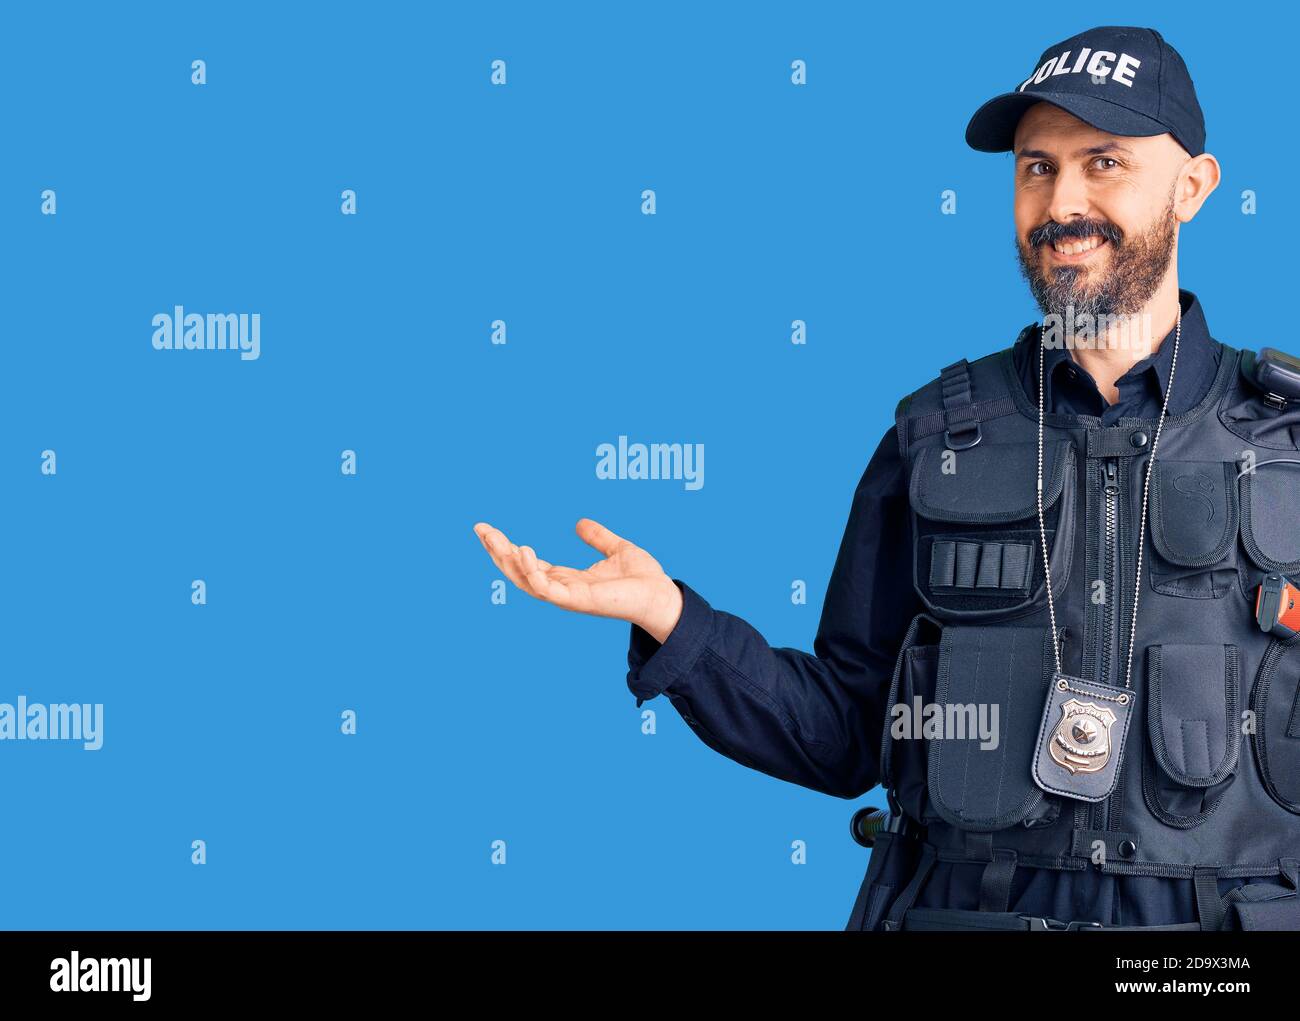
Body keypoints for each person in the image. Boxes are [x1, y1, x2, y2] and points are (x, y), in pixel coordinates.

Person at [474, 26, 1300, 931]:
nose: (1063, 201)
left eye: (1103, 163)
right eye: (1036, 168)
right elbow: (843, 732)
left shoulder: (1288, 440)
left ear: (1194, 185)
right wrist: (673, 616)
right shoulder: (937, 433)